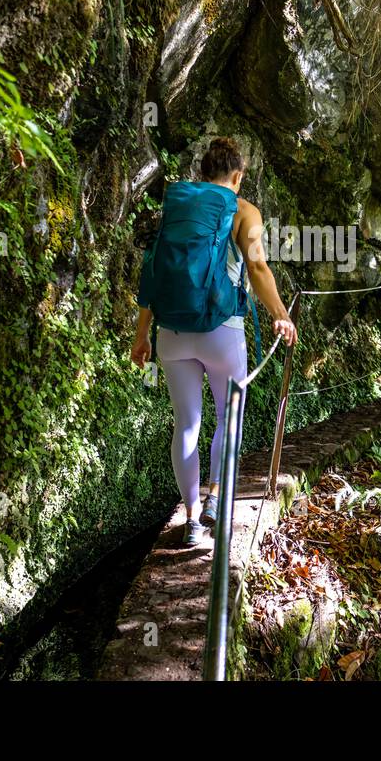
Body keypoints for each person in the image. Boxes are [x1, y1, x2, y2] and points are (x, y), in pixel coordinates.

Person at [129, 137, 298, 546]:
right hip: (222, 332)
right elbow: (257, 267)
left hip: (171, 332)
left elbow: (155, 269)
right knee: (229, 418)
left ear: (203, 172)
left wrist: (141, 336)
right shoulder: (244, 211)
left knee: (186, 425)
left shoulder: (178, 206)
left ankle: (190, 522)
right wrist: (281, 316)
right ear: (237, 176)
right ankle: (216, 497)